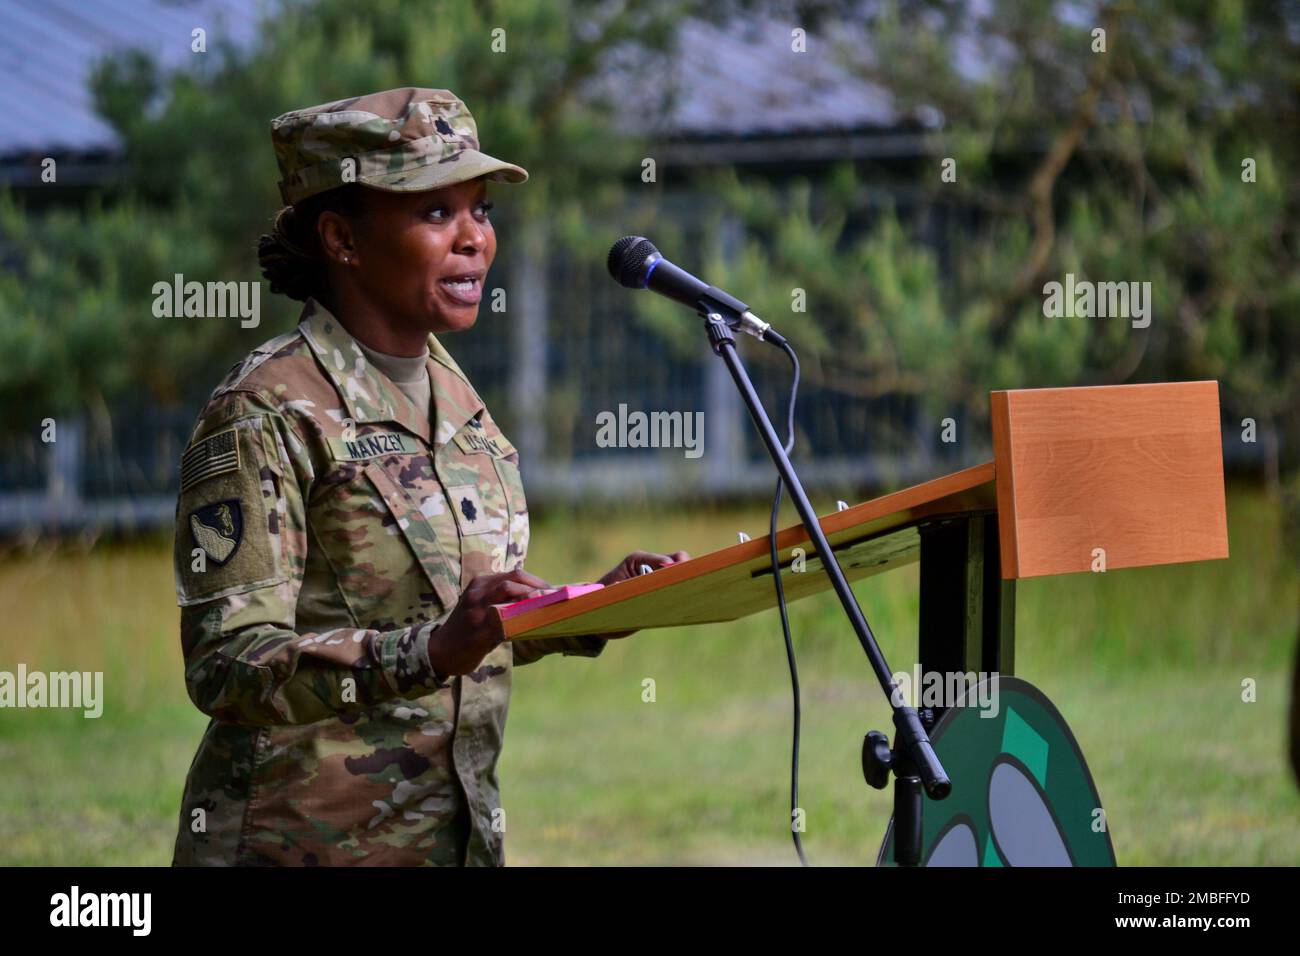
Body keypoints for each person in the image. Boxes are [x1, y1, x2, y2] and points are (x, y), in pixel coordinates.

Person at [170, 87, 688, 866]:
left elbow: (459, 620)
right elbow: (227, 666)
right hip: (301, 846)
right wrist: (431, 651)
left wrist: (588, 608)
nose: (474, 238)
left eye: (481, 210)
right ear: (342, 238)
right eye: (436, 212)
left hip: (452, 841)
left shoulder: (457, 397)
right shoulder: (266, 411)